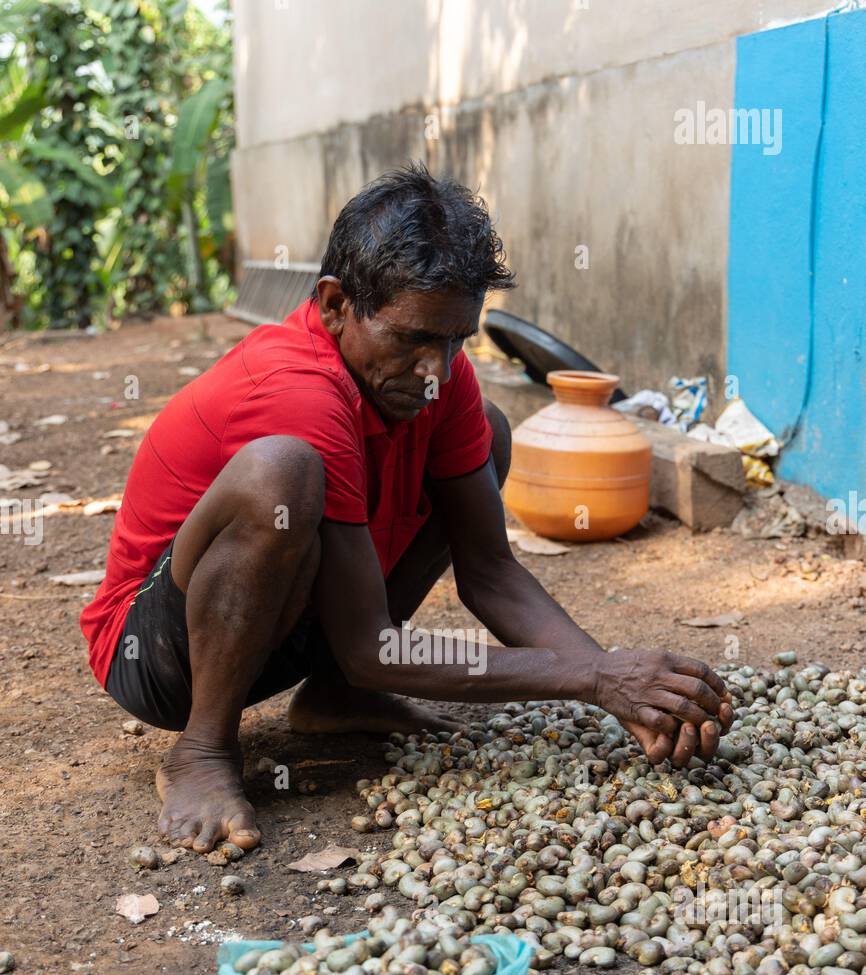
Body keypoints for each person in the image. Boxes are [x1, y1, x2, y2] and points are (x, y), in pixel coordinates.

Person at [81, 164, 731, 854]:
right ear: (335, 305)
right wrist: (594, 678)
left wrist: (628, 691)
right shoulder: (299, 389)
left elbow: (492, 573)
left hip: (285, 633)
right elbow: (374, 648)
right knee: (283, 472)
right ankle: (203, 749)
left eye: (456, 340)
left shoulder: (439, 380)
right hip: (160, 656)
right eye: (412, 338)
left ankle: (333, 697)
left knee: (489, 429)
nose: (437, 370)